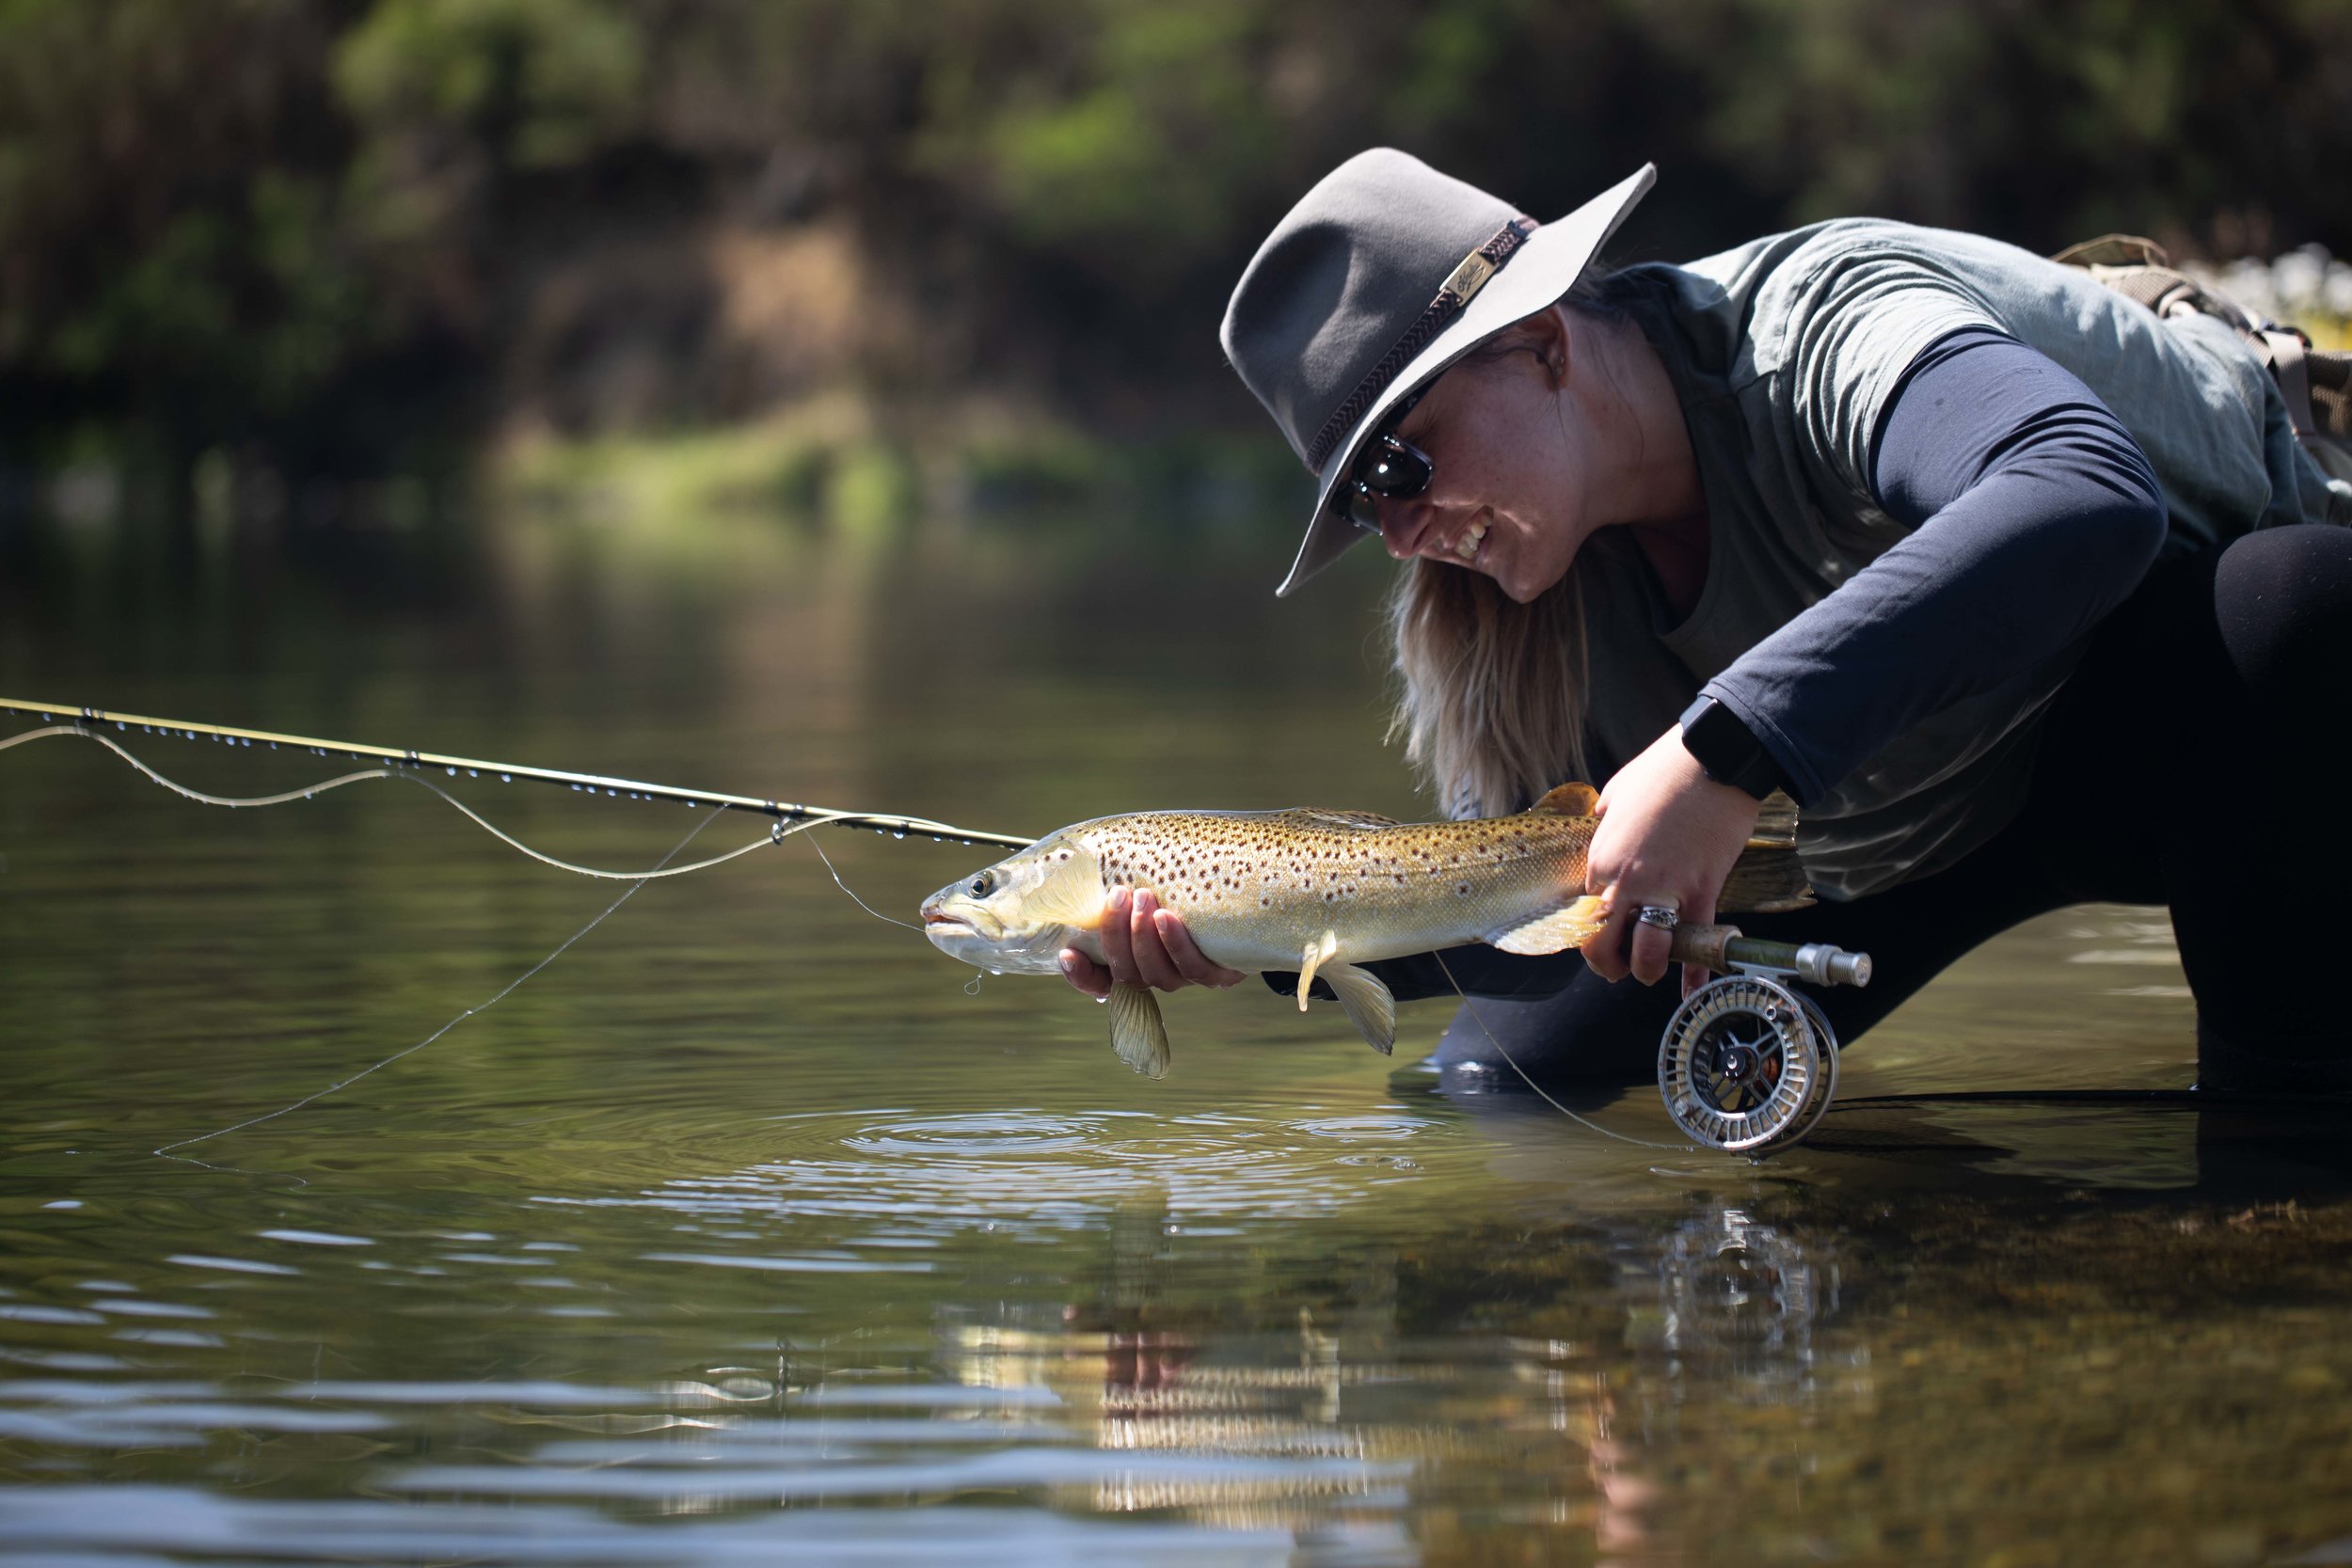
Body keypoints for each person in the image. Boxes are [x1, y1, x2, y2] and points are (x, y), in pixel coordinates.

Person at [1059, 150, 2352, 1095]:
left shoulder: (1825, 325)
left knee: (2286, 605)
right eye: (1360, 503)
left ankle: (2277, 1173)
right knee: (1495, 1092)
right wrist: (1244, 941)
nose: (1398, 534)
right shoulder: (1511, 594)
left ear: (1543, 343)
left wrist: (1721, 753)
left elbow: (2082, 493)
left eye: (1401, 463)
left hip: (2200, 752)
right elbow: (1505, 917)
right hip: (1877, 856)